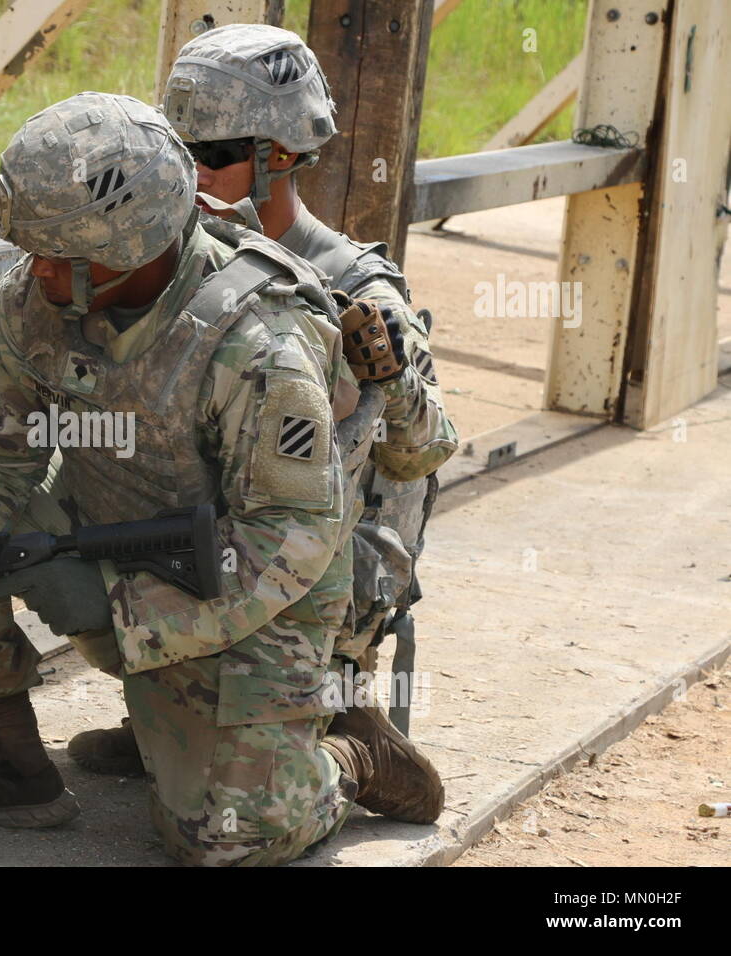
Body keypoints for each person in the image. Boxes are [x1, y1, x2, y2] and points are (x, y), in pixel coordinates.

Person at [0, 91, 442, 866]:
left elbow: (292, 539)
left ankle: (351, 753)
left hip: (259, 590)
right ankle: (10, 766)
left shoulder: (258, 340)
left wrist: (117, 607)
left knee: (224, 839)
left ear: (128, 246)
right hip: (111, 517)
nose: (34, 272)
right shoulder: (40, 298)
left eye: (56, 255)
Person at [73, 26, 459, 783]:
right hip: (205, 552)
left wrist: (390, 375)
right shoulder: (172, 263)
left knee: (224, 830)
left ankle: (345, 729)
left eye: (211, 156)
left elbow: (423, 451)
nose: (191, 173)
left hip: (309, 579)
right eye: (177, 152)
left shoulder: (355, 286)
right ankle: (169, 715)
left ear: (277, 157)